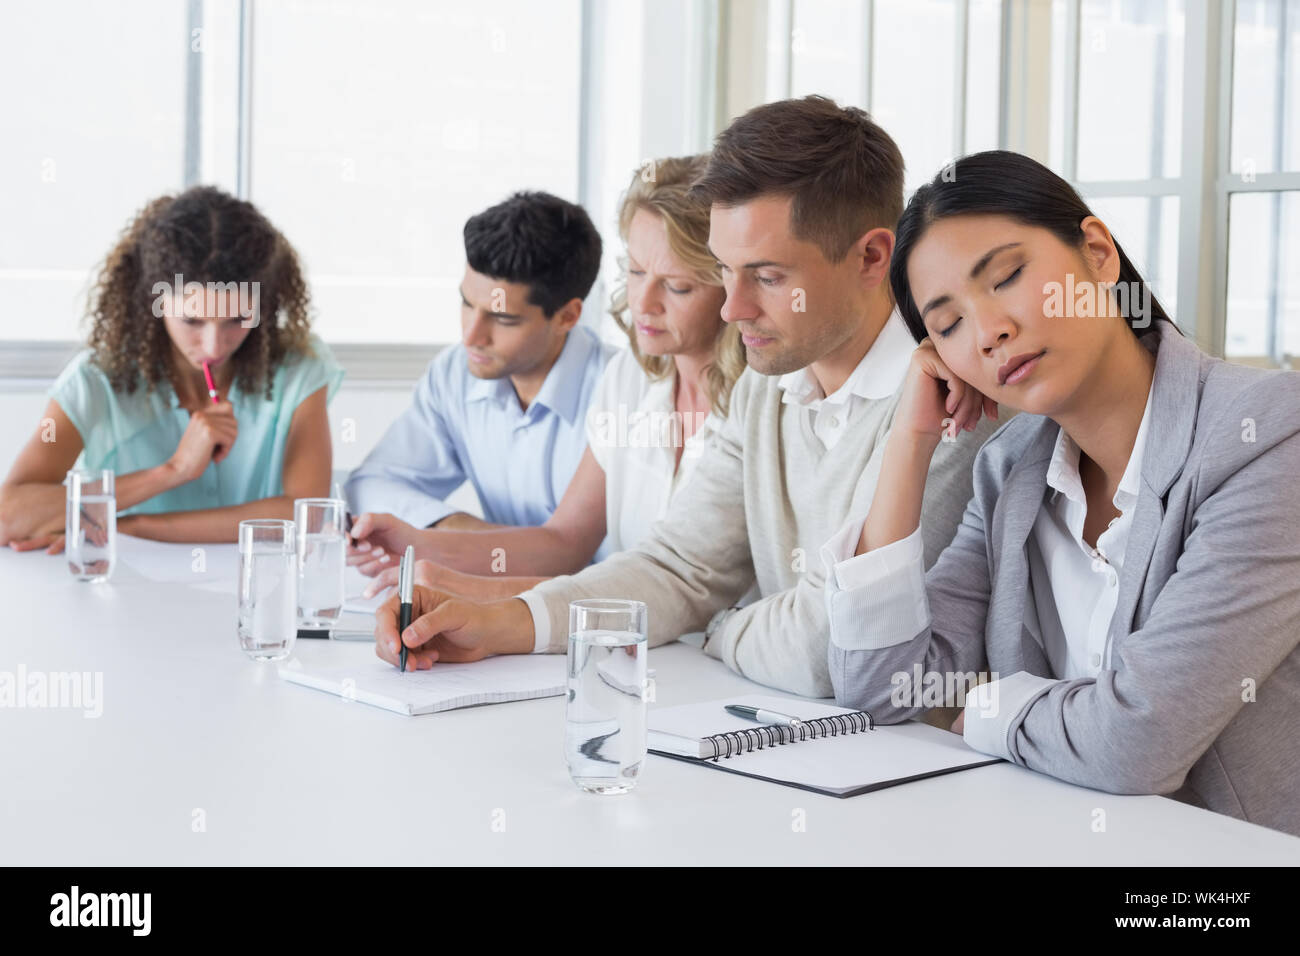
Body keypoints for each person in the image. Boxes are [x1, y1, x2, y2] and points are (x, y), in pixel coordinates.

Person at [370, 97, 1002, 702]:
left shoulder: (949, 398)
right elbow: (679, 568)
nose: (733, 307)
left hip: (918, 768)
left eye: (768, 277)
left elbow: (827, 647)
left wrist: (722, 627)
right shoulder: (767, 384)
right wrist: (501, 625)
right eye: (725, 271)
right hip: (796, 742)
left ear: (870, 257)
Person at [822, 150, 1300, 836]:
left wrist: (994, 709)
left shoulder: (1266, 436)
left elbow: (1137, 741)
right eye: (947, 325)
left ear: (1098, 255)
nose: (989, 333)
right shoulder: (1009, 471)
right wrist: (910, 439)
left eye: (1008, 277)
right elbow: (879, 691)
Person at [359, 155, 746, 599]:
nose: (643, 303)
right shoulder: (632, 378)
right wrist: (425, 544)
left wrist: (480, 592)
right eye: (636, 272)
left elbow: (665, 583)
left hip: (709, 653)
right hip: (629, 645)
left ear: (734, 285)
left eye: (676, 286)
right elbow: (565, 542)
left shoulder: (760, 403)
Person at [0, 186, 343, 548]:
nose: (214, 345)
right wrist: (172, 471)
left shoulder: (300, 371)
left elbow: (307, 514)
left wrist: (129, 526)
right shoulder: (93, 381)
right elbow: (10, 514)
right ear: (157, 302)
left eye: (237, 319)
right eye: (192, 321)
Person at [343, 190, 610, 574]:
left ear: (567, 316)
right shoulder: (456, 373)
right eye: (467, 303)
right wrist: (463, 531)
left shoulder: (622, 391)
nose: (471, 336)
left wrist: (476, 547)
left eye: (502, 318)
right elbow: (371, 485)